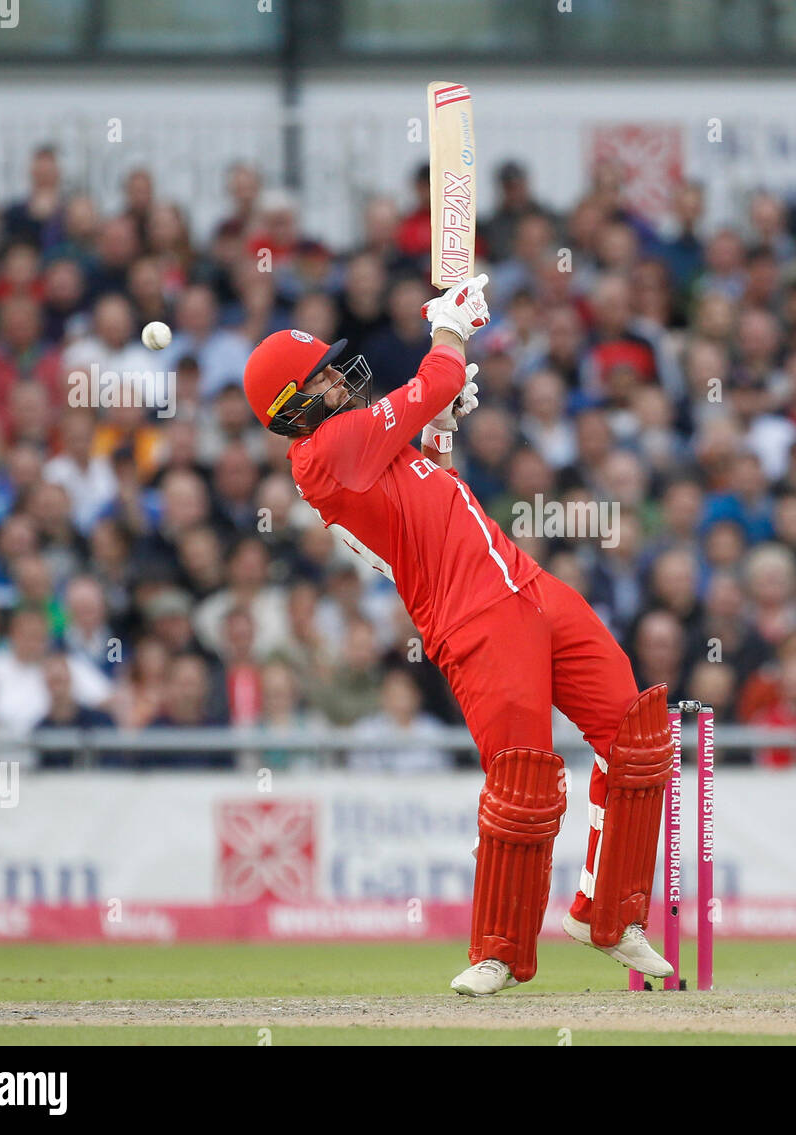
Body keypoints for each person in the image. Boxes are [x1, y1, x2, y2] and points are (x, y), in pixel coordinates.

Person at [242, 273, 677, 996]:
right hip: (473, 621)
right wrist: (450, 327)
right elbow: (438, 373)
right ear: (293, 409)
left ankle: (609, 912)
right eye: (321, 376)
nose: (338, 379)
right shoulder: (322, 456)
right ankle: (498, 952)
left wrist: (440, 432)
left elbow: (435, 491)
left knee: (638, 737)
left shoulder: (364, 447)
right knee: (526, 783)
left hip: (527, 585)